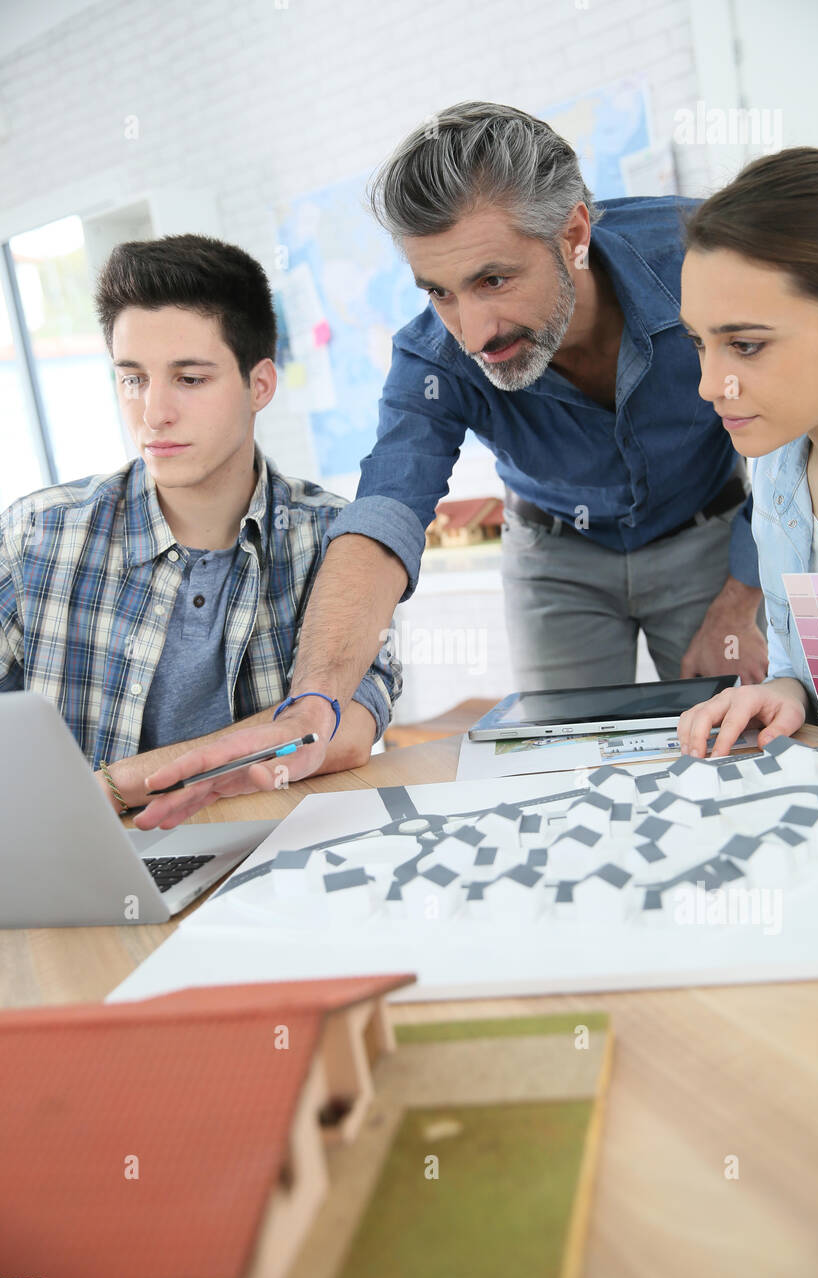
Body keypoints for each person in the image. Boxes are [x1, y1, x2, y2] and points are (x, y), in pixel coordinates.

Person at [138, 100, 769, 829]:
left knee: (737, 754)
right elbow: (383, 518)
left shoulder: (702, 259)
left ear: (573, 234)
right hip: (556, 556)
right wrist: (315, 700)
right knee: (562, 782)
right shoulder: (431, 360)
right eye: (439, 291)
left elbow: (795, 433)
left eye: (493, 280)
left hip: (712, 540)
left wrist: (742, 597)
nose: (472, 331)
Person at [0, 234, 401, 816]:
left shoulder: (335, 539)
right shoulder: (37, 535)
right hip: (75, 880)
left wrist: (116, 785)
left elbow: (344, 727)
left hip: (271, 872)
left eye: (190, 378)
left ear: (259, 385)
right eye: (133, 378)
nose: (153, 412)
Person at [676, 146, 818, 759]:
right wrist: (787, 691)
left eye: (747, 345)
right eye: (699, 343)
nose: (709, 385)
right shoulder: (780, 471)